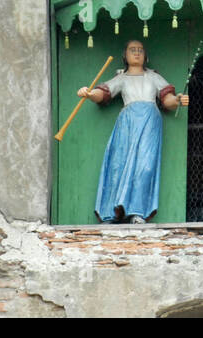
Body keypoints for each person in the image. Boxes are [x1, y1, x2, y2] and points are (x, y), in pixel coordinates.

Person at [78, 40, 189, 223]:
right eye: (132, 50)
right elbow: (103, 93)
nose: (136, 53)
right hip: (127, 122)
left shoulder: (153, 77)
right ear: (125, 55)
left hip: (149, 121)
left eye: (140, 50)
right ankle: (115, 211)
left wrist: (177, 100)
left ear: (146, 55)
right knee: (118, 165)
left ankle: (137, 211)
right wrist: (89, 94)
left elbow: (167, 99)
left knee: (145, 167)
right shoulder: (122, 78)